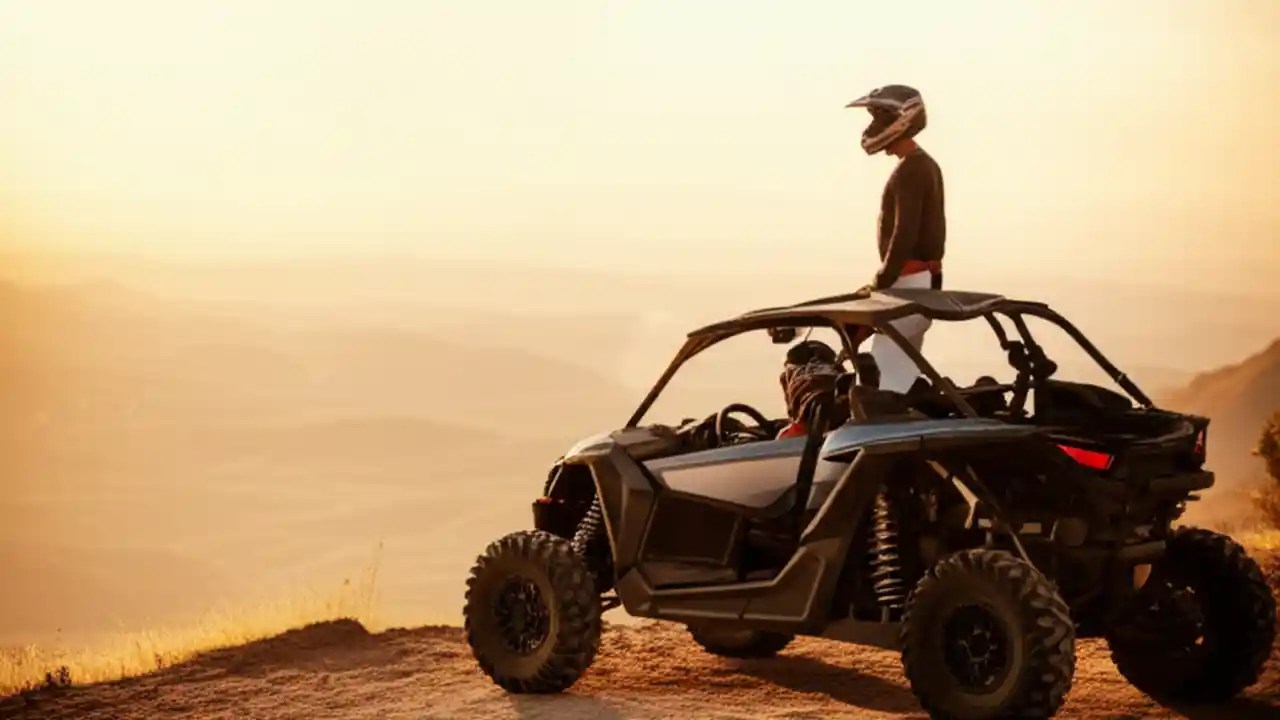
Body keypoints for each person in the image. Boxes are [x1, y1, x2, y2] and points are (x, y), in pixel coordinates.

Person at [845, 84, 946, 393]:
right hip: (922, 282)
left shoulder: (911, 170)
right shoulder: (923, 165)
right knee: (901, 372)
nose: (874, 127)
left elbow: (905, 233)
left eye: (880, 118)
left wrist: (881, 281)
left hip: (909, 284)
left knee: (883, 374)